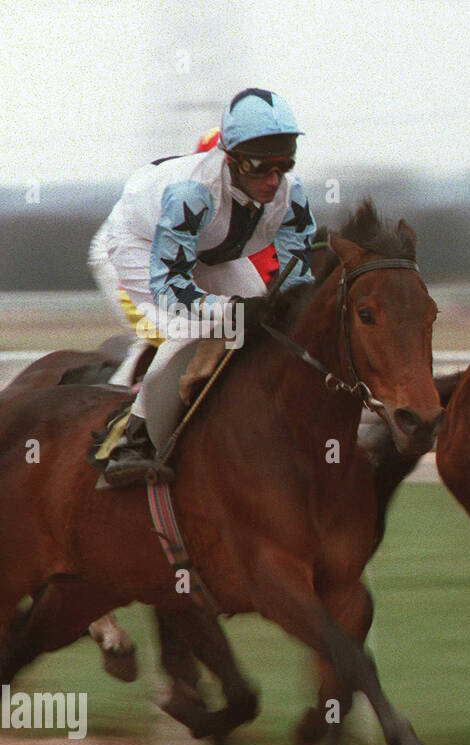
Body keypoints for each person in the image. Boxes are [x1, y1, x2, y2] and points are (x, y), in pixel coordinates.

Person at [99, 88, 316, 487]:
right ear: (231, 159)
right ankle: (132, 443)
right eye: (260, 168)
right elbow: (171, 288)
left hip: (211, 248)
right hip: (141, 246)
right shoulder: (191, 193)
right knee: (192, 328)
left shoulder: (291, 195)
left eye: (283, 166)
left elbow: (300, 281)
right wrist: (227, 311)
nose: (273, 181)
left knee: (263, 320)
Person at [89, 126, 281, 387]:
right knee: (171, 331)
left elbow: (260, 270)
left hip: (177, 255)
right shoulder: (193, 195)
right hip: (122, 258)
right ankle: (123, 406)